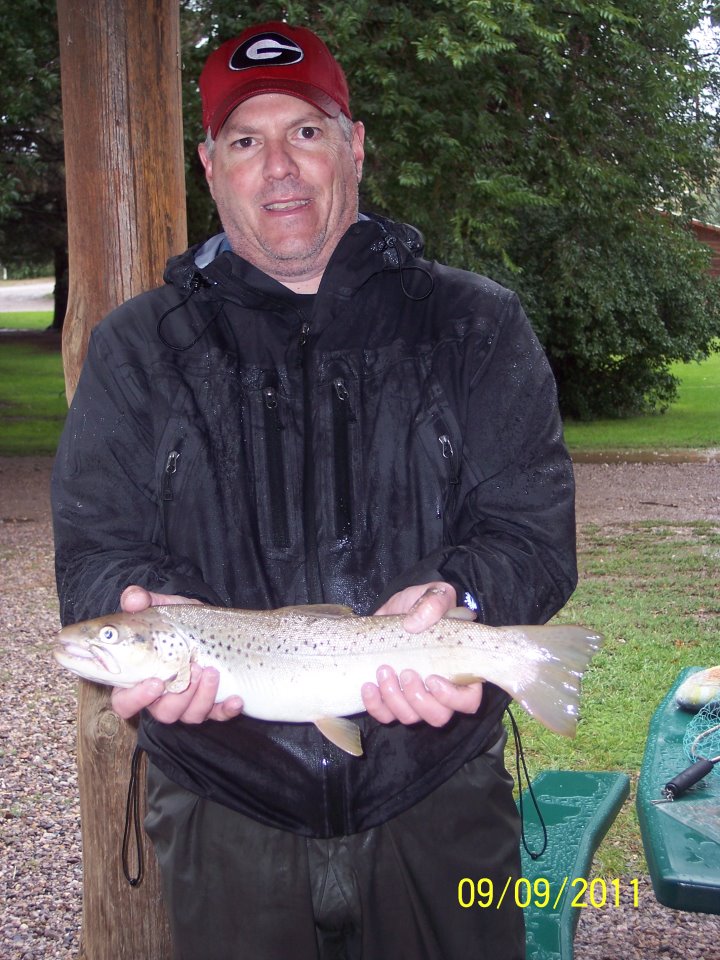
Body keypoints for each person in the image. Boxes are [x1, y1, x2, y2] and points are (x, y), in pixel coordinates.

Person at [52, 20, 577, 960]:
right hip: (222, 810)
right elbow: (96, 548)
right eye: (248, 141)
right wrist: (121, 605)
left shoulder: (475, 323)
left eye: (306, 130)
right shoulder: (138, 348)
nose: (280, 167)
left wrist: (464, 599)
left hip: (440, 799)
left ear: (355, 145)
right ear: (211, 165)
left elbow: (531, 531)